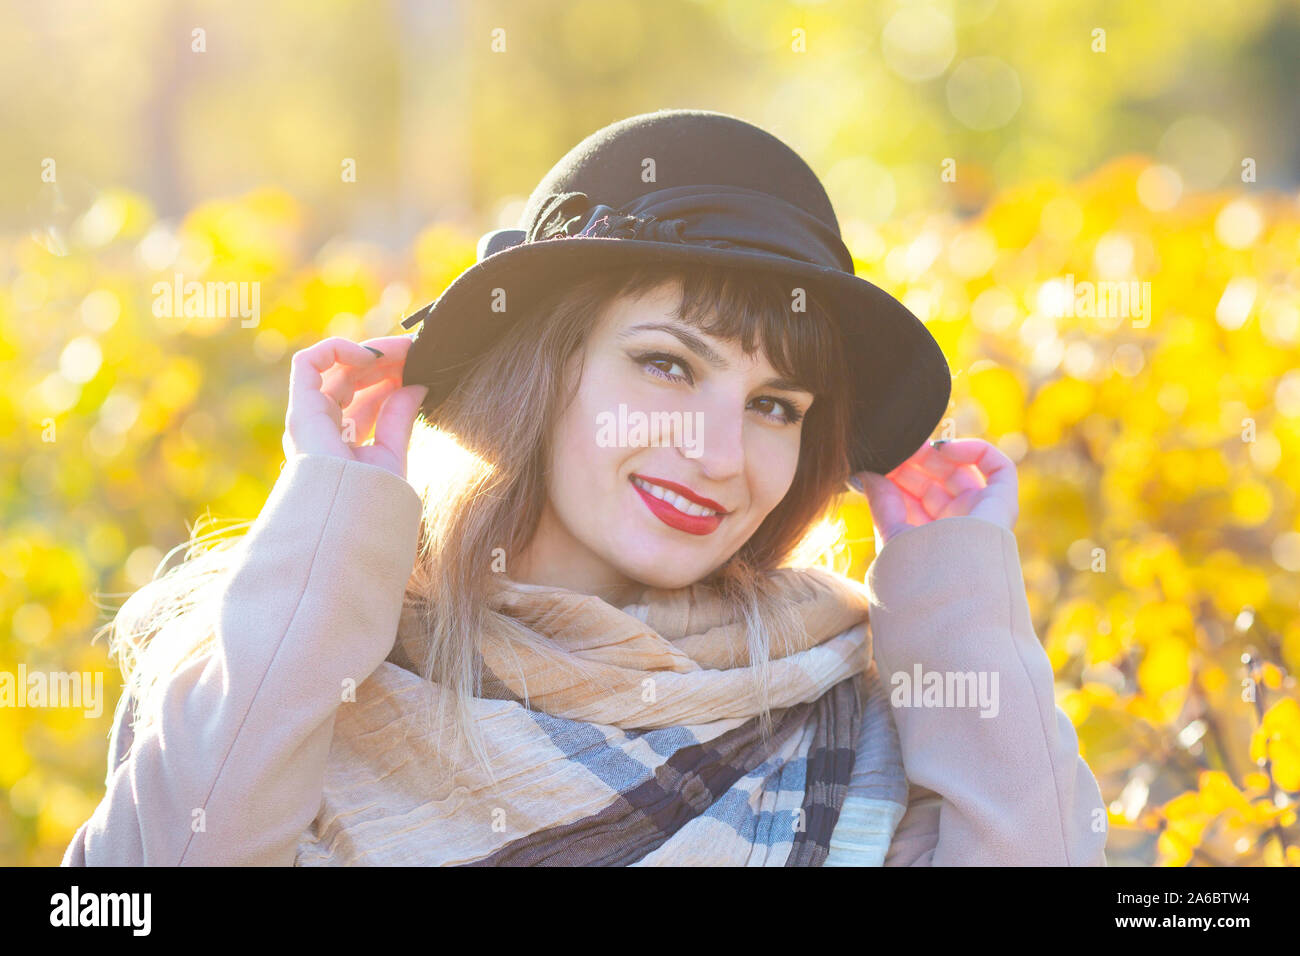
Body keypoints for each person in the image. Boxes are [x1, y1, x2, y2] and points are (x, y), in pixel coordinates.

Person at [63, 110, 1107, 866]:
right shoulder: (293, 677)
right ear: (543, 369)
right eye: (667, 364)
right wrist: (335, 515)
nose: (718, 451)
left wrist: (960, 591)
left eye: (776, 406)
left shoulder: (838, 714)